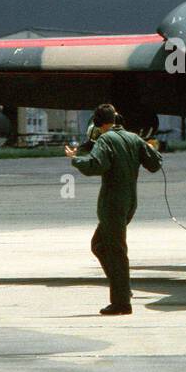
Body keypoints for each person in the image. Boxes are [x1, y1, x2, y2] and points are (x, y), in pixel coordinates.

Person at [65, 103, 161, 315]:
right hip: (129, 202)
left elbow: (95, 166)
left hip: (113, 203)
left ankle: (121, 302)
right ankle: (122, 290)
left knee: (116, 251)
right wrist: (150, 149)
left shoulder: (106, 139)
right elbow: (155, 164)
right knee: (99, 244)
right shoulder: (134, 138)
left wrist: (75, 159)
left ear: (98, 123)